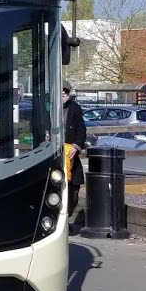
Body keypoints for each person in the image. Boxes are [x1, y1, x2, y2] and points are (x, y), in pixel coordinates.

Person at [62, 82, 87, 230]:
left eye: (65, 91)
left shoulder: (75, 108)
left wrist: (76, 147)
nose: (63, 93)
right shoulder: (48, 106)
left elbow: (81, 130)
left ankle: (67, 217)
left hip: (70, 154)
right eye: (61, 90)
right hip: (54, 153)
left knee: (73, 189)